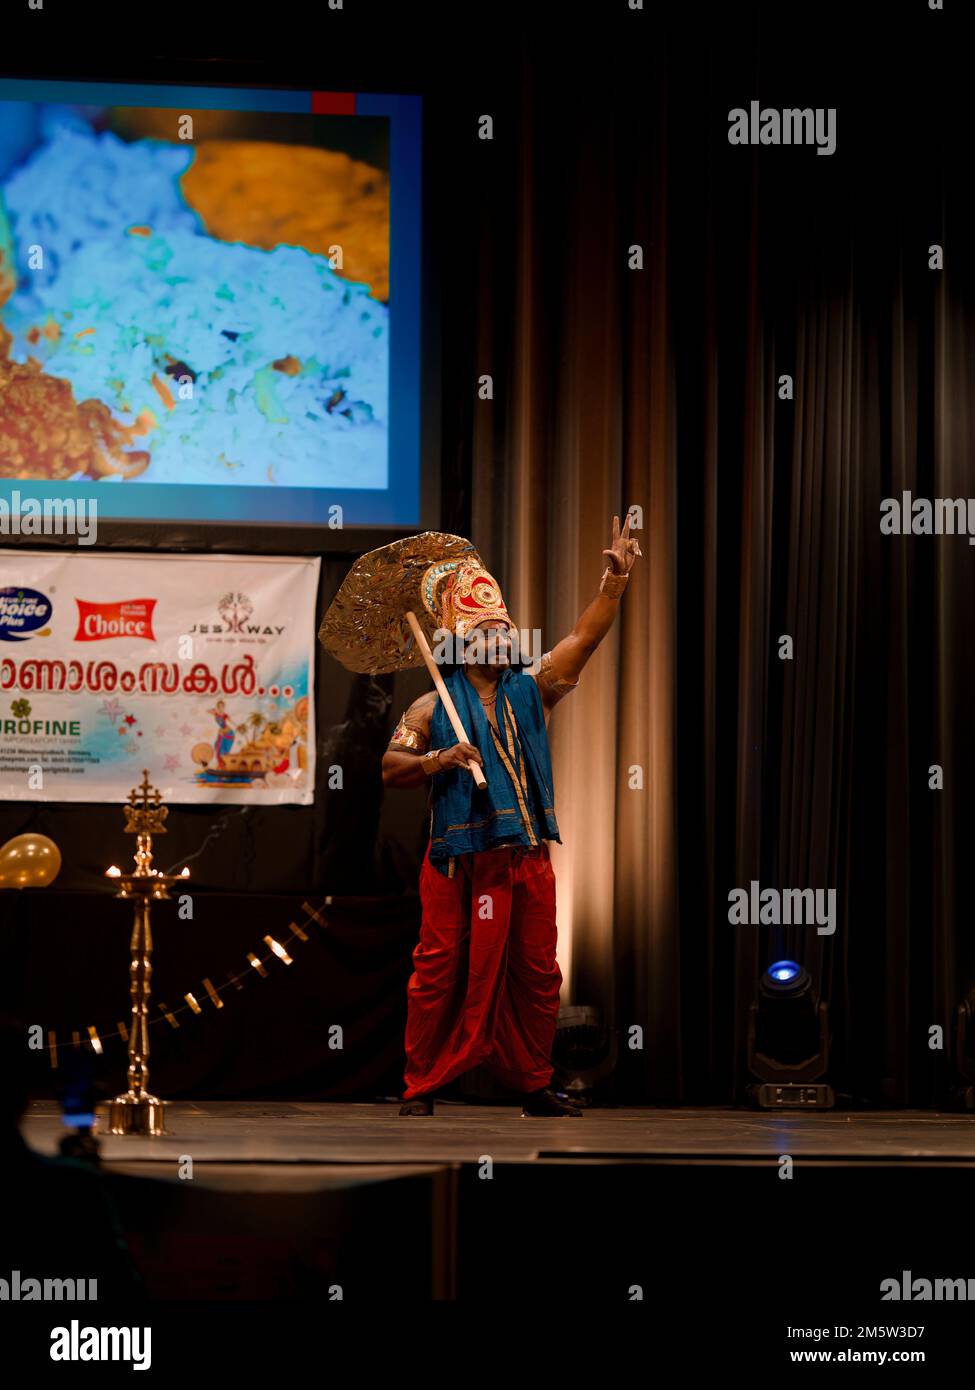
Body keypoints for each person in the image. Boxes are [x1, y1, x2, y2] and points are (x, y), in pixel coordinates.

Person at [383, 514, 641, 1116]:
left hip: (522, 855)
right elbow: (391, 768)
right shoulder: (430, 705)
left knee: (536, 971)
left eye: (506, 628)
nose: (503, 638)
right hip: (457, 860)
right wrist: (441, 759)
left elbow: (583, 641)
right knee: (439, 970)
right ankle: (423, 1085)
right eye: (490, 631)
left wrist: (614, 586)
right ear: (461, 642)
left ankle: (532, 1083)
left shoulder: (534, 688)